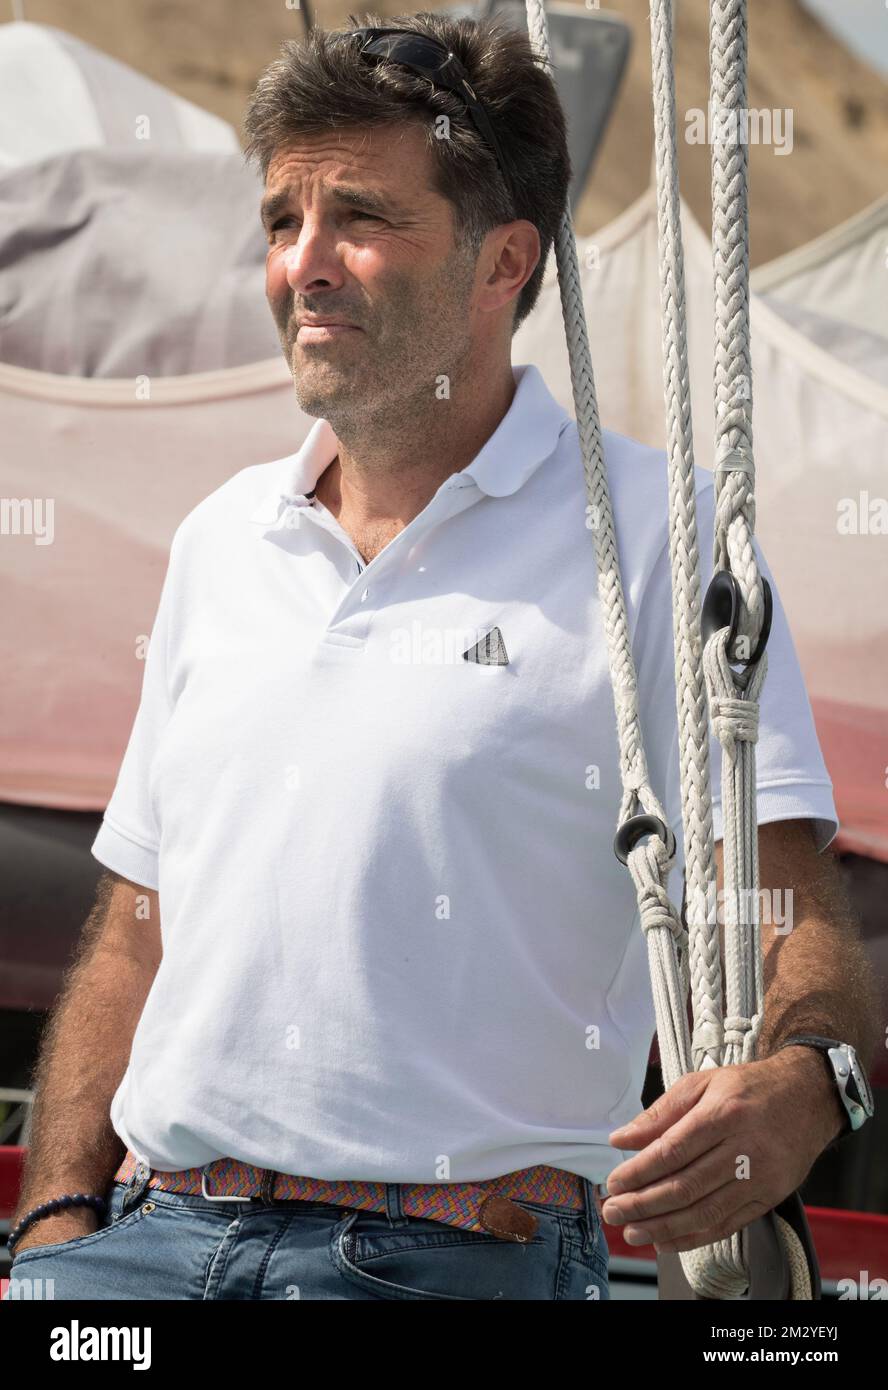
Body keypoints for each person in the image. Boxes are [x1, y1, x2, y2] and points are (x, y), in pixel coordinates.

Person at [5, 12, 878, 1302]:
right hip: (130, 1258)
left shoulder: (656, 534)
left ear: (502, 262)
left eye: (359, 216)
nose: (303, 265)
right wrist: (52, 1228)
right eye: (280, 222)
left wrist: (809, 1085)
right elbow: (136, 928)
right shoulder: (220, 539)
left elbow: (789, 913)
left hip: (446, 1265)